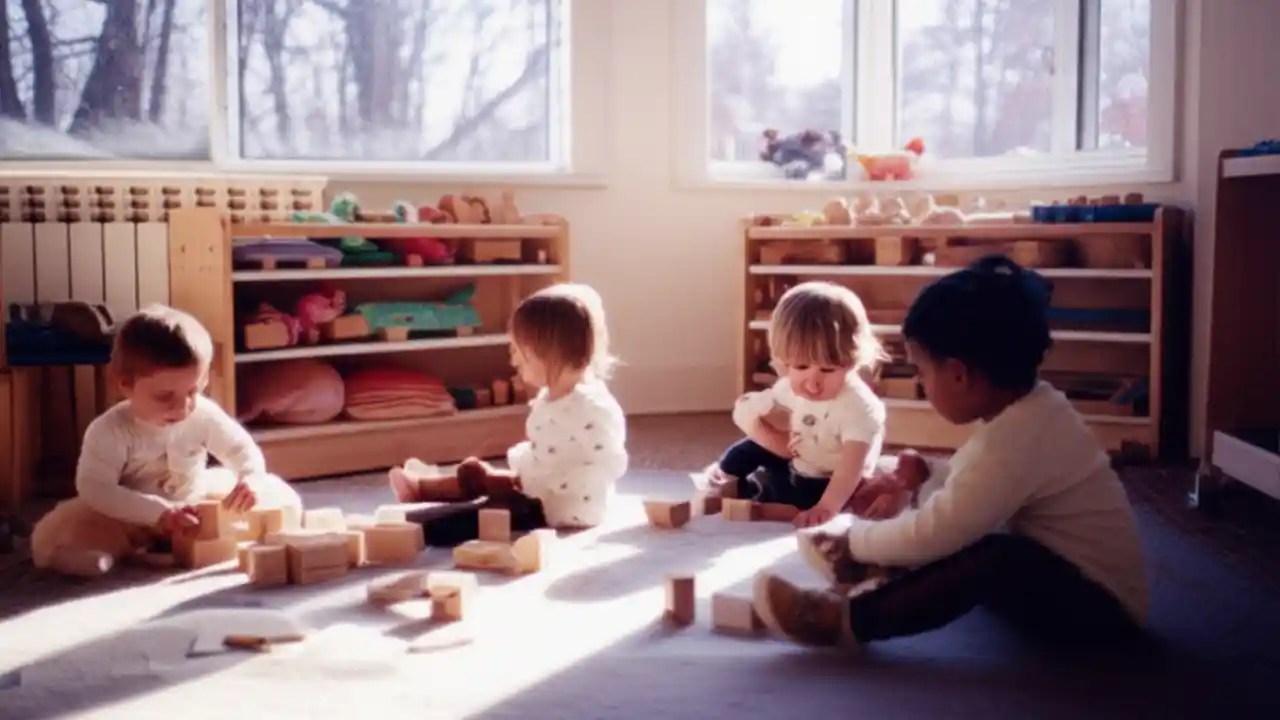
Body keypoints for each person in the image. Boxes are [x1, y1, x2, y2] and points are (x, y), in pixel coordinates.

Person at [752, 256, 1148, 647]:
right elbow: (973, 485)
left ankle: (844, 620)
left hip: (1103, 617)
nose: (922, 384)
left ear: (958, 375)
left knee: (989, 555)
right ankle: (881, 574)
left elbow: (939, 530)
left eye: (922, 373)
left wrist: (856, 538)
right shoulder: (1032, 413)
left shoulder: (1012, 442)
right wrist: (922, 473)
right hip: (1067, 584)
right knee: (967, 528)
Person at [31, 305, 303, 577]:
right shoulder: (108, 430)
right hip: (127, 515)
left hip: (193, 505)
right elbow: (95, 488)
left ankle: (191, 543)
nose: (182, 407)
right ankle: (83, 558)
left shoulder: (203, 413)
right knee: (55, 528)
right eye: (165, 397)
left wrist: (250, 479)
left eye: (193, 391)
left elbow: (240, 449)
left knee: (276, 491)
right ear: (125, 385)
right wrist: (157, 513)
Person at [388, 284, 627, 543]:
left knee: (486, 514)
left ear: (547, 352)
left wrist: (556, 482)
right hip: (538, 488)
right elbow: (551, 448)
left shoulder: (590, 405)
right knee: (482, 478)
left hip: (563, 507)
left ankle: (420, 526)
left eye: (517, 352)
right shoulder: (552, 397)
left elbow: (610, 461)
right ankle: (423, 488)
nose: (513, 361)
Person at [697, 281, 886, 528]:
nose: (812, 383)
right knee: (745, 450)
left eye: (828, 370)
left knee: (802, 497)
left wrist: (827, 508)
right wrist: (769, 436)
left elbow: (850, 470)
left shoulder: (859, 407)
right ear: (784, 361)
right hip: (799, 455)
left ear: (852, 362)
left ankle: (758, 496)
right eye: (800, 367)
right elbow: (747, 410)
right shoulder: (788, 385)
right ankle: (726, 484)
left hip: (829, 477)